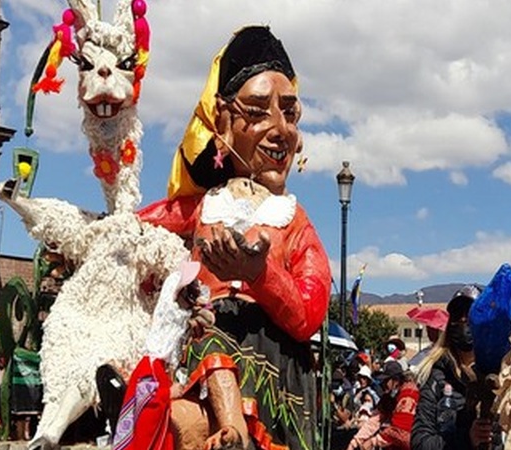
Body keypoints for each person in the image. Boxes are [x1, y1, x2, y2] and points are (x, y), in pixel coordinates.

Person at [127, 25, 331, 450]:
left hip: (269, 366)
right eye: (257, 111)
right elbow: (132, 228)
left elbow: (309, 313)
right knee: (179, 417)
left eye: (289, 113)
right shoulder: (204, 207)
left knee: (212, 345)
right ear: (222, 122)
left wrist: (259, 273)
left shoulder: (294, 222)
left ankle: (234, 428)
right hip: (202, 351)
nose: (280, 129)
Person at [410, 285, 503, 450]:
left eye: (469, 315)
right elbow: (419, 441)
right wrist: (466, 438)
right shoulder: (436, 376)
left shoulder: (503, 374)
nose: (462, 321)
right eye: (457, 316)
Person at [347, 361, 419, 450]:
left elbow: (400, 431)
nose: (383, 384)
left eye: (386, 380)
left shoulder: (409, 395)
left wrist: (374, 442)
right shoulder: (389, 396)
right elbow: (375, 420)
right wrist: (355, 442)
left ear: (395, 380)